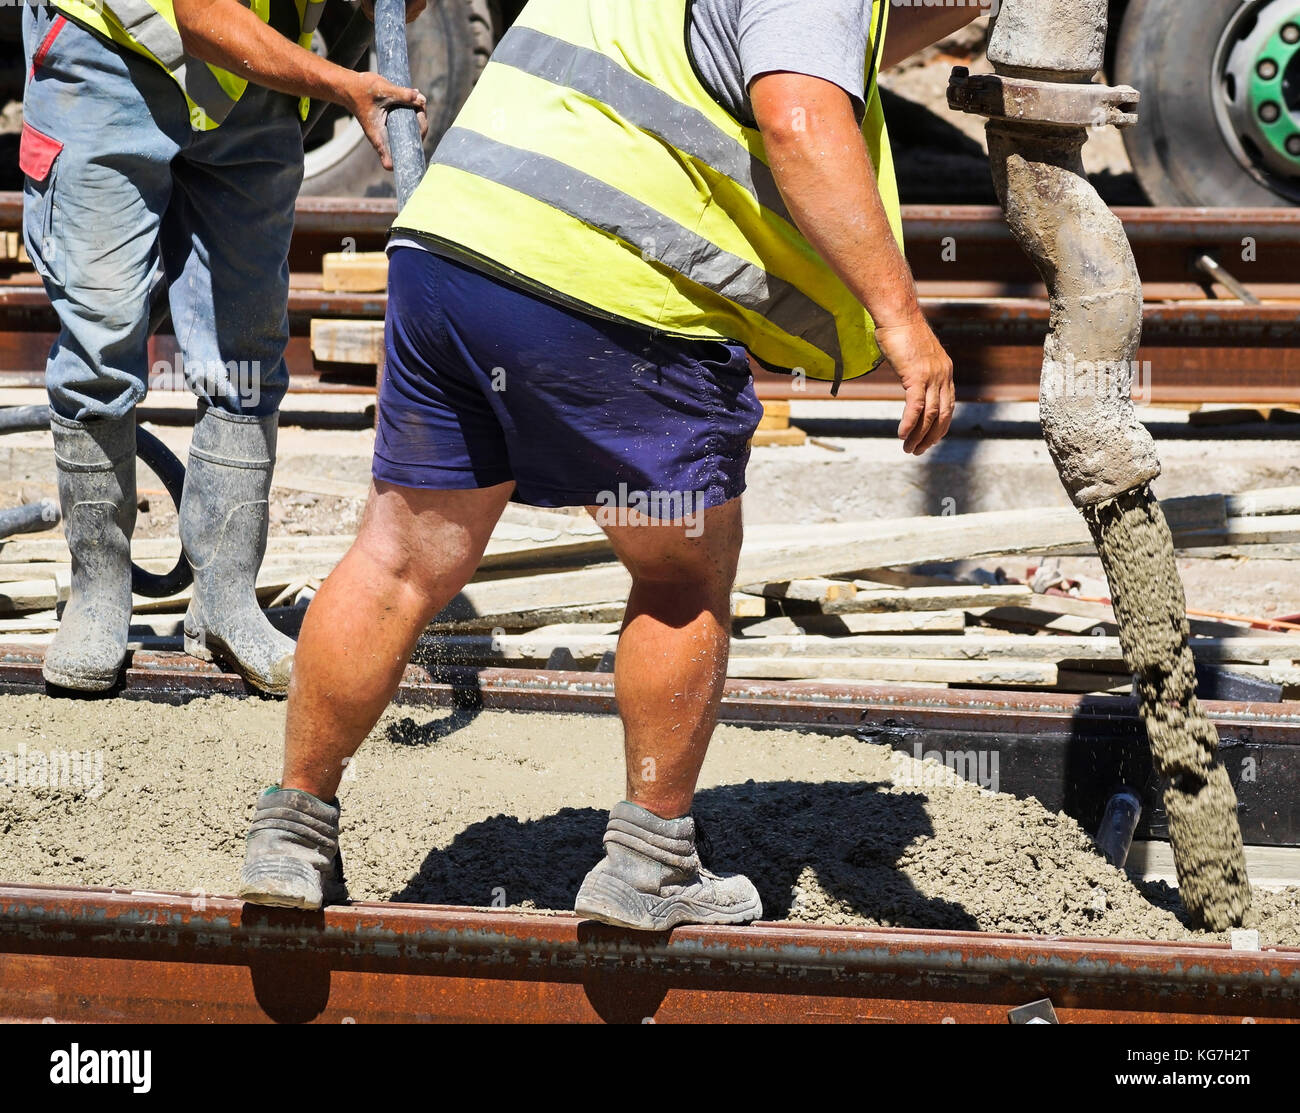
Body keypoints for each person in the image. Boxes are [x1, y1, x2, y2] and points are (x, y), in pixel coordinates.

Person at [237, 0, 979, 928]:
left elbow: (787, 40)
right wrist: (904, 325)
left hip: (452, 252)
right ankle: (651, 864)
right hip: (615, 281)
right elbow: (798, 116)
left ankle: (291, 835)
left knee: (396, 562)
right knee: (680, 574)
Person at [20, 0, 425, 694]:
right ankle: (98, 596)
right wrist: (340, 84)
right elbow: (200, 13)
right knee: (99, 342)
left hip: (257, 74)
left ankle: (226, 602)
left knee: (246, 348)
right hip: (111, 51)